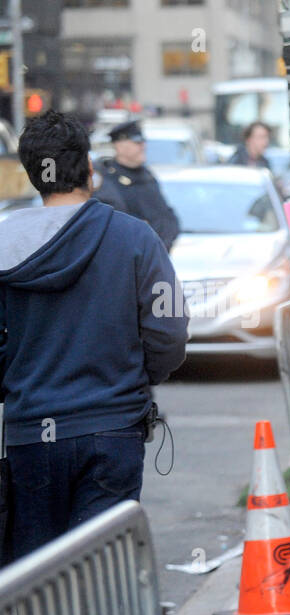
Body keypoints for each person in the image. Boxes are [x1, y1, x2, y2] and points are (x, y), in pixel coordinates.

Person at [0, 110, 188, 561]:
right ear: (89, 169)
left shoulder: (5, 242)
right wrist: (140, 379)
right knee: (105, 572)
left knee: (34, 578)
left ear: (33, 174)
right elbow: (170, 331)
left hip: (29, 434)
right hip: (113, 429)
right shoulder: (136, 238)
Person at [93, 119, 181, 251]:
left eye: (143, 142)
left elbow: (166, 218)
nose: (143, 146)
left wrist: (160, 246)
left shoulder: (147, 176)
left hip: (153, 255)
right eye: (137, 142)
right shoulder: (104, 177)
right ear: (119, 146)